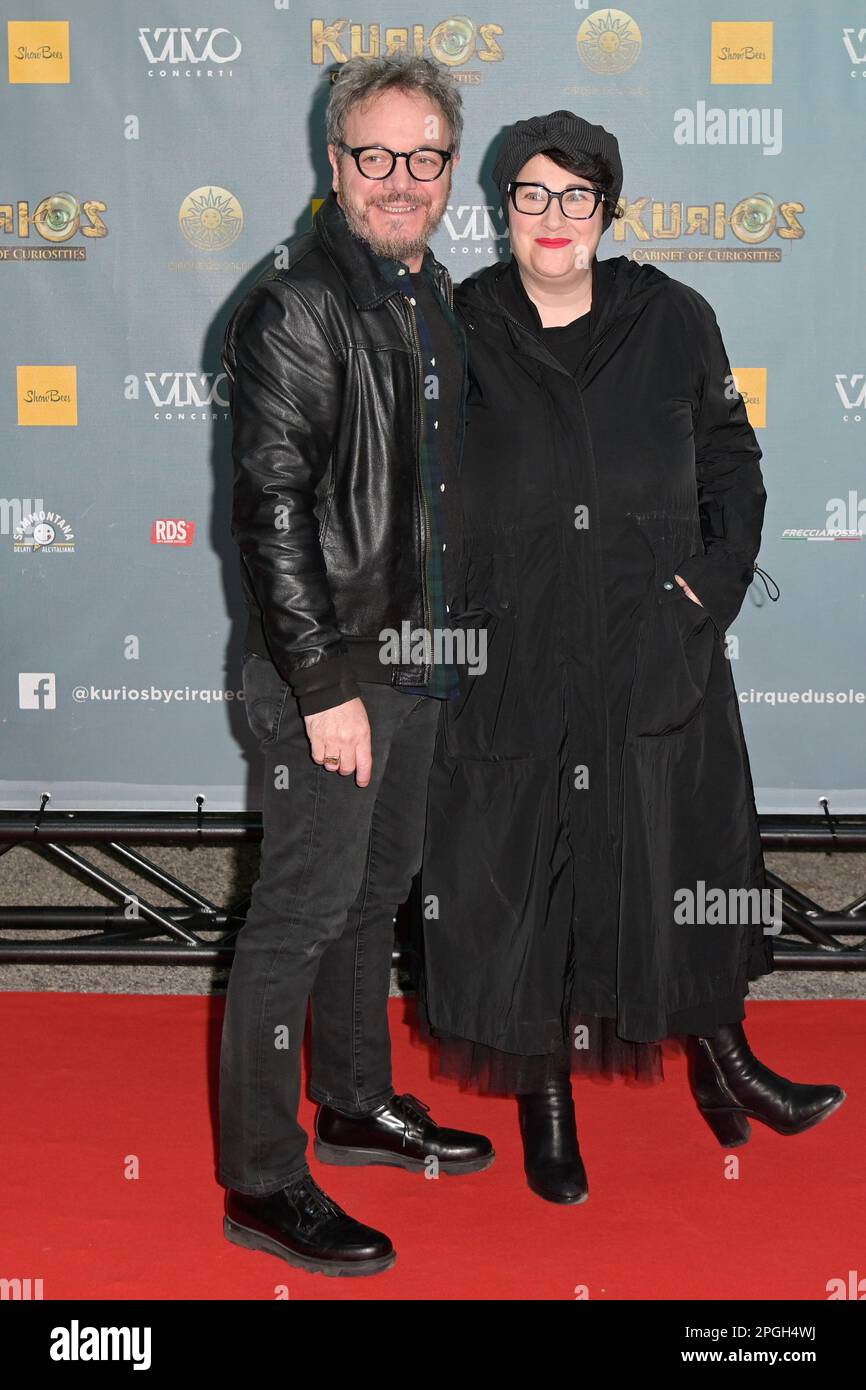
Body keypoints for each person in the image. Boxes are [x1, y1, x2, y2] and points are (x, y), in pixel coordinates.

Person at [419, 110, 845, 1205]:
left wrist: (704, 587)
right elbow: (421, 491)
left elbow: (730, 465)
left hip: (653, 638)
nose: (552, 218)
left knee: (684, 852)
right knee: (531, 874)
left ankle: (724, 1055)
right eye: (530, 195)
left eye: (576, 198)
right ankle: (546, 1101)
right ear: (500, 206)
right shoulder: (459, 325)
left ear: (607, 210)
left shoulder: (672, 317)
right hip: (520, 653)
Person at [218, 54, 493, 1278]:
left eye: (422, 159)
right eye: (374, 157)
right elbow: (272, 511)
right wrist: (324, 687)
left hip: (417, 658)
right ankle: (265, 1178)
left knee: (375, 896)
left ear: (445, 173)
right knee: (297, 916)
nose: (399, 181)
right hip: (328, 672)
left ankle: (352, 1100)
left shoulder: (430, 291)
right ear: (334, 166)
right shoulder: (297, 302)